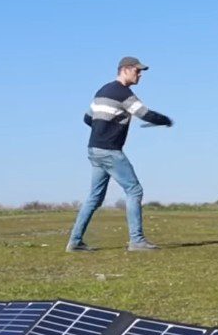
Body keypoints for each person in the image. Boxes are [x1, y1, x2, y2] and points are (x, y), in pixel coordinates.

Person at [66, 56, 173, 252]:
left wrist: (104, 127)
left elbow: (87, 118)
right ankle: (137, 241)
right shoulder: (123, 94)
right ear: (125, 70)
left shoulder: (103, 91)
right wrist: (165, 120)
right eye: (137, 70)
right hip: (109, 151)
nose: (140, 74)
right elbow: (145, 114)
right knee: (134, 190)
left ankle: (75, 242)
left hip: (94, 149)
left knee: (94, 198)